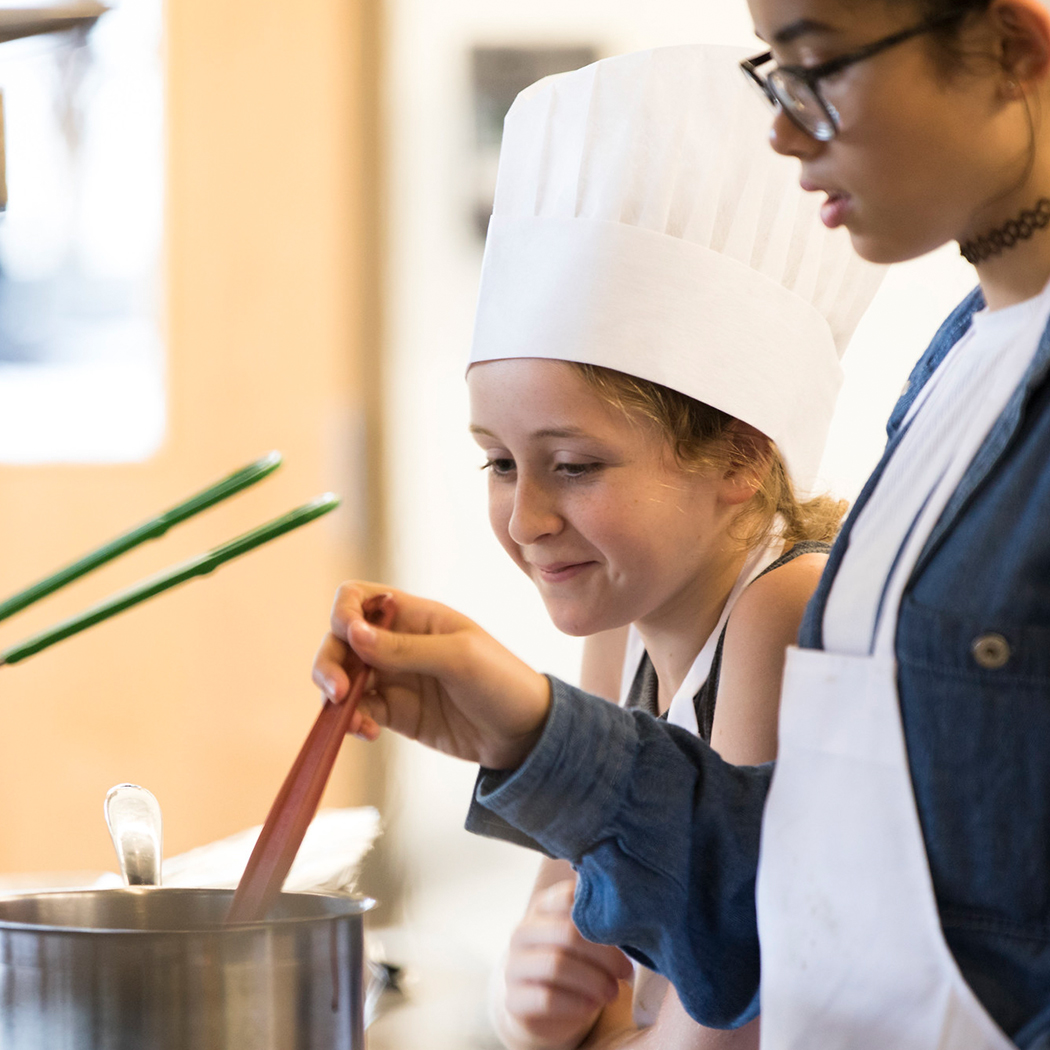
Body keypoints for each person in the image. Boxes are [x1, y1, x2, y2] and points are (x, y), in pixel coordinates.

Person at [314, 1, 1050, 1045]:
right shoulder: (961, 363)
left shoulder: (781, 597)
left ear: (1014, 47)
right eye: (776, 74)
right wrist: (529, 735)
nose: (787, 131)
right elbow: (795, 894)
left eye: (820, 67)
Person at [460, 46, 882, 1050]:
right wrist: (525, 996)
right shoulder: (620, 624)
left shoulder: (784, 610)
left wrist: (591, 1020)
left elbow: (720, 1023)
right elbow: (558, 946)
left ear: (737, 453)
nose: (526, 519)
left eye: (573, 465)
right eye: (499, 463)